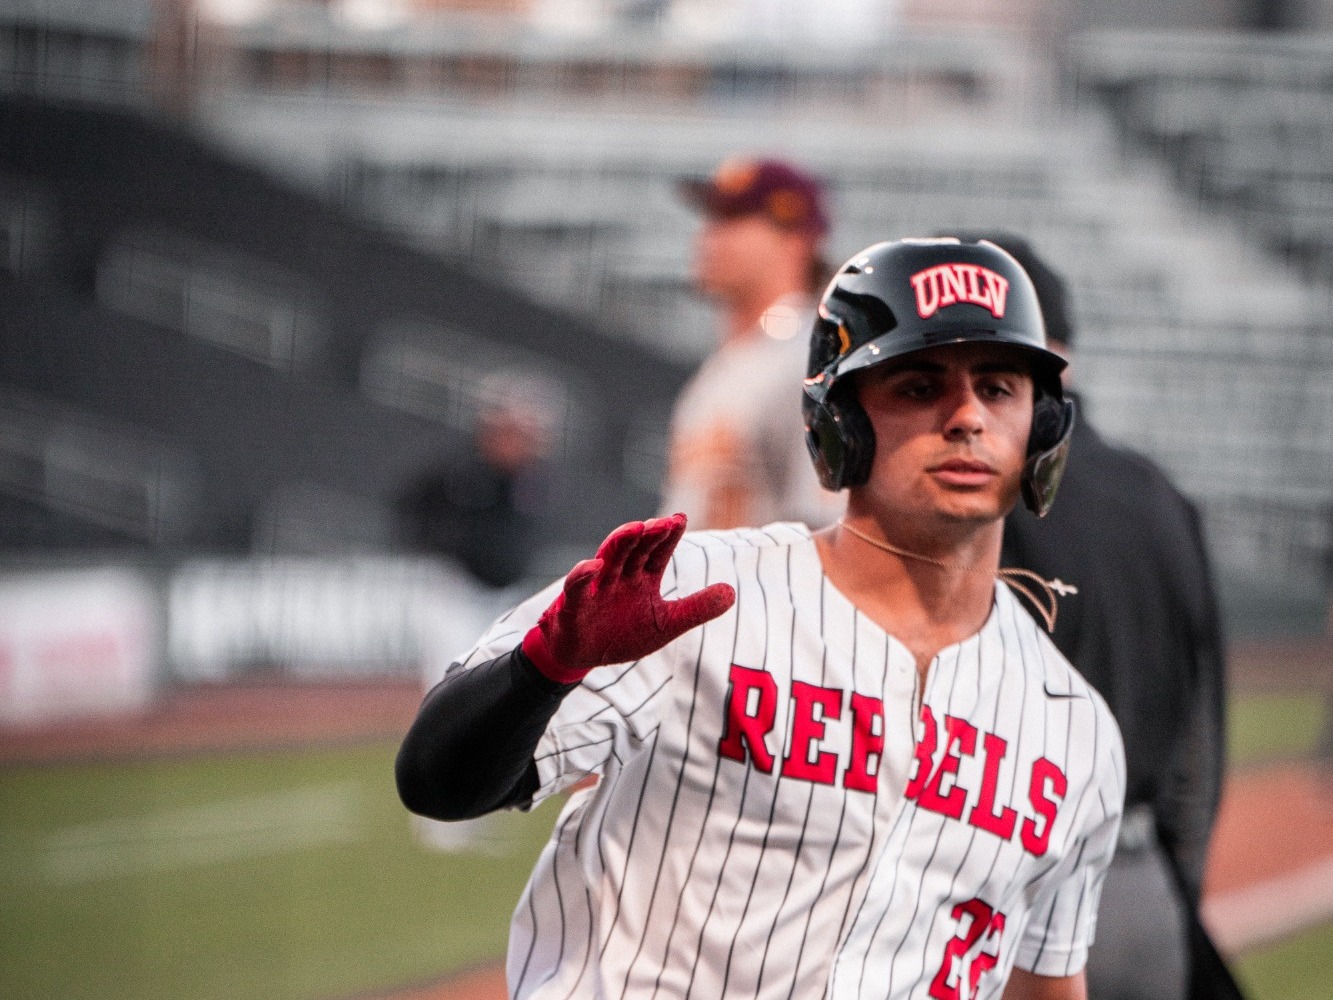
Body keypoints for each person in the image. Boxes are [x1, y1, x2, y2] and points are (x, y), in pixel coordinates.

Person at [396, 238, 1125, 1000]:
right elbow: (437, 783)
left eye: (999, 387)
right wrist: (545, 667)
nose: (968, 416)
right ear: (840, 421)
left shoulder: (1074, 727)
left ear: (1043, 426)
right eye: (918, 386)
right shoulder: (695, 596)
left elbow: (1044, 985)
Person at [974, 232, 1241, 1000]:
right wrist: (1176, 886)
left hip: (1006, 896)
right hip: (1141, 886)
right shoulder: (1160, 494)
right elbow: (1198, 738)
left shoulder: (967, 497)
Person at [661, 156, 842, 530]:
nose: (708, 237)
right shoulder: (731, 363)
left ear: (795, 241)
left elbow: (827, 528)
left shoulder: (813, 359)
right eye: (710, 219)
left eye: (732, 219)